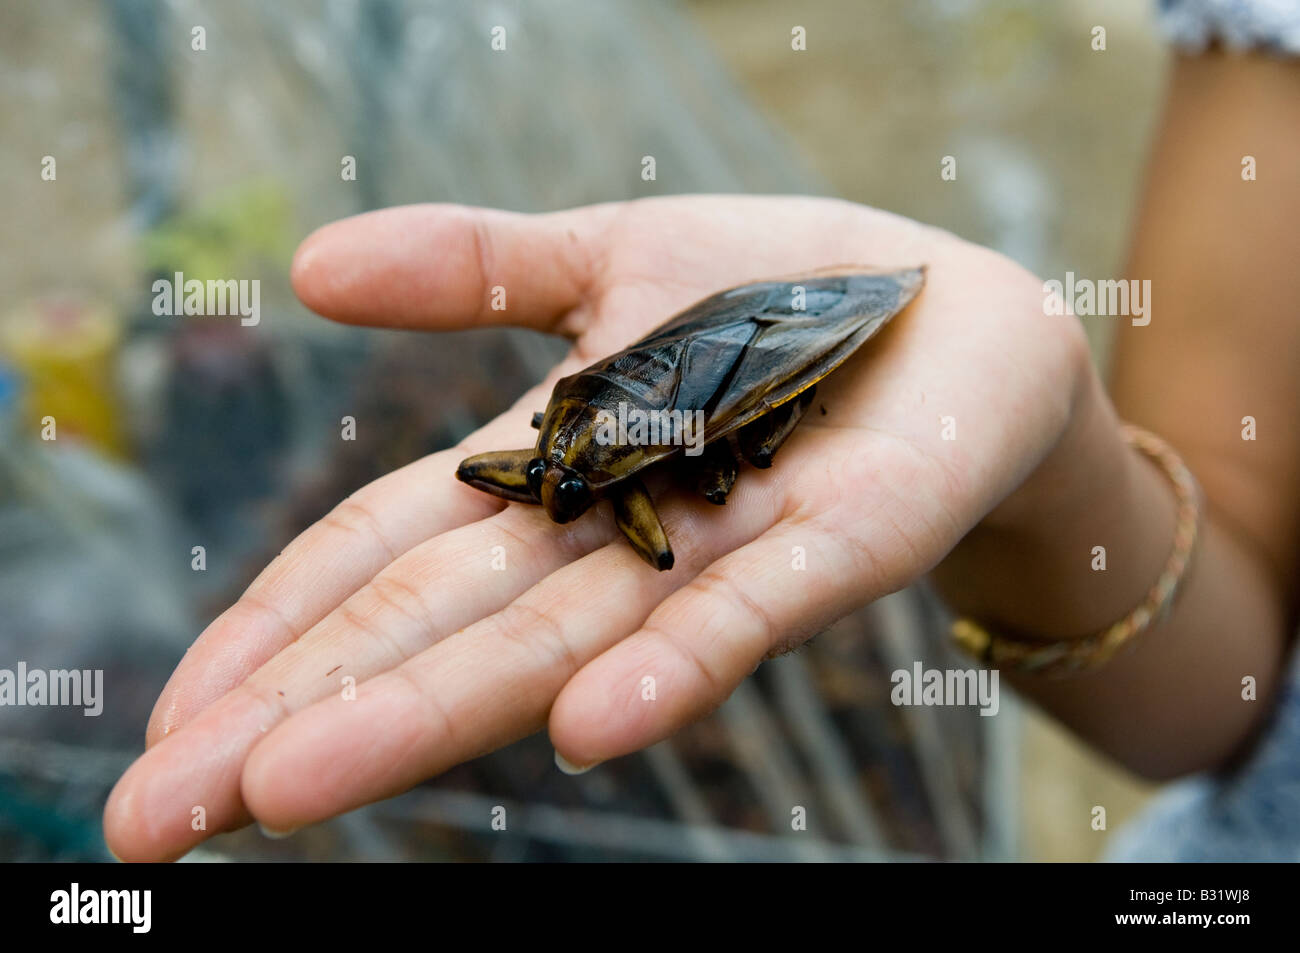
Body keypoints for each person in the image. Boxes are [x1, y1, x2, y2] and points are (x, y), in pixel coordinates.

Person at [103, 7, 1300, 861]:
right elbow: (1218, 686)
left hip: (723, 385)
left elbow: (666, 517)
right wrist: (1061, 460)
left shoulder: (614, 465)